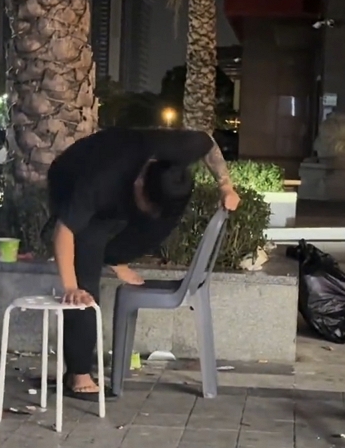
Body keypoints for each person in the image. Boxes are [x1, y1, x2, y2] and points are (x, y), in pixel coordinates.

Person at [47, 127, 239, 397]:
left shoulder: (178, 151)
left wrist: (225, 186)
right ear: (138, 184)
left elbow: (208, 144)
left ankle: (115, 258)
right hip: (72, 173)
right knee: (86, 265)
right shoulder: (101, 180)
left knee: (156, 221)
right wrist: (71, 287)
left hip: (125, 182)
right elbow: (64, 231)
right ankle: (78, 373)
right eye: (146, 204)